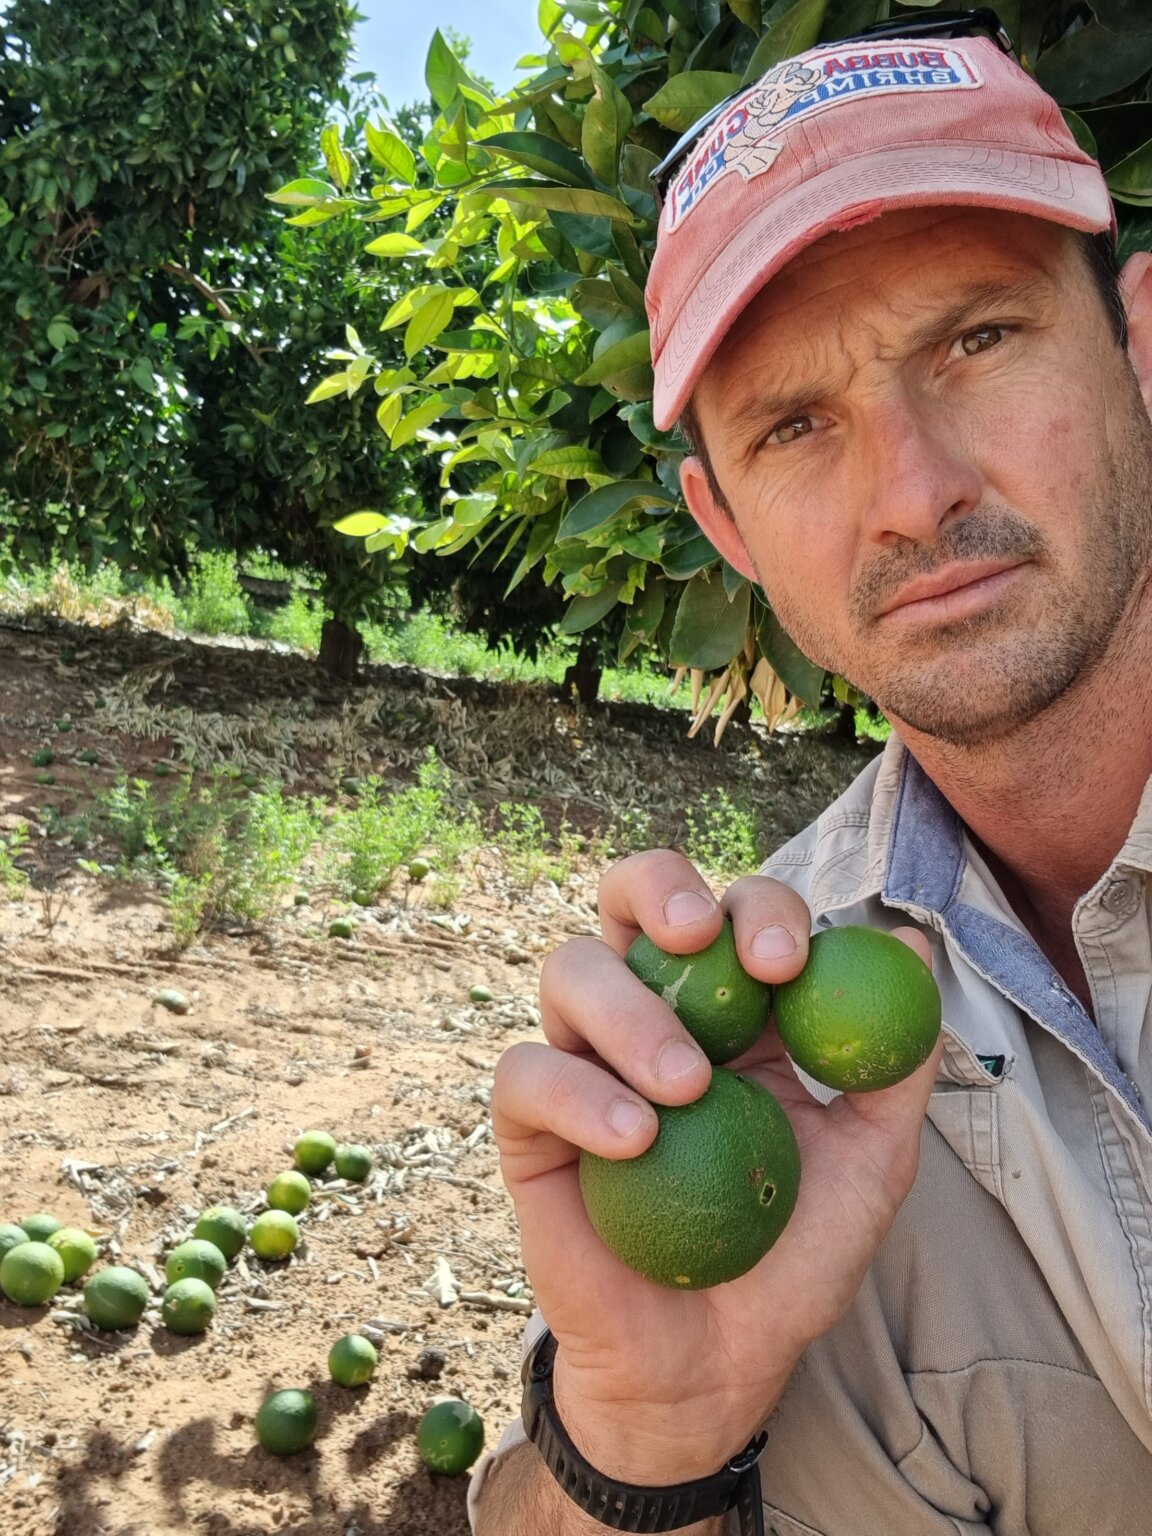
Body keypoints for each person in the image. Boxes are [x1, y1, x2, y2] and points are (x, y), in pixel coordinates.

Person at [468, 14, 1152, 1534]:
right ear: (727, 530)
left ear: (1143, 348)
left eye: (976, 340)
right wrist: (645, 1438)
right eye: (794, 425)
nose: (912, 492)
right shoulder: (779, 1069)